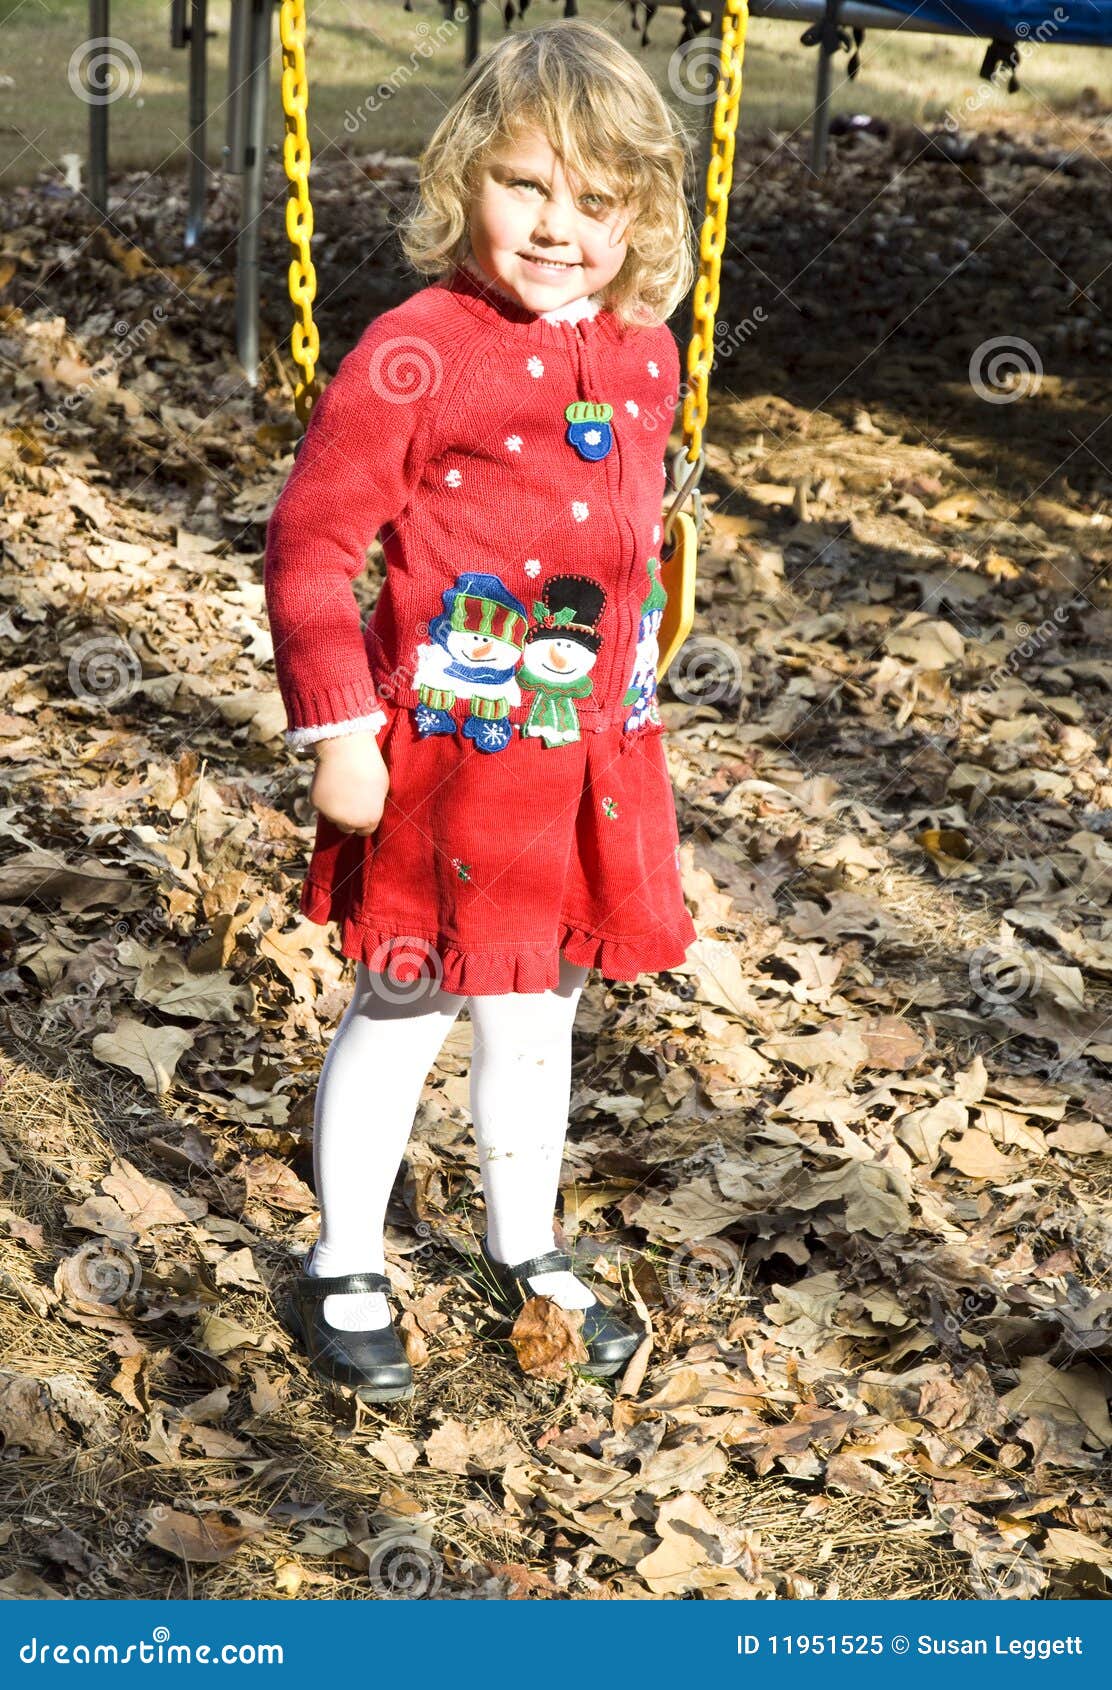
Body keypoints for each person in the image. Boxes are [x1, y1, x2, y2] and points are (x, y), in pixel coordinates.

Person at [263, 19, 698, 1403]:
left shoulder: (644, 350)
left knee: (540, 1017)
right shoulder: (417, 349)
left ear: (641, 213)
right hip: (446, 760)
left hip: (587, 764)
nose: (558, 226)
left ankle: (523, 1242)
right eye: (526, 186)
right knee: (405, 1003)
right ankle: (343, 1252)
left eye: (597, 199)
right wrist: (338, 725)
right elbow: (313, 547)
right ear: (466, 182)